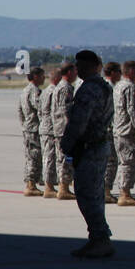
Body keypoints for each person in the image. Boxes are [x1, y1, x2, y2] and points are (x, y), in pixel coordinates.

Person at [60, 50, 115, 258]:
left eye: (82, 65)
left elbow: (79, 121)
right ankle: (99, 238)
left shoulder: (89, 89)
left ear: (93, 66)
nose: (79, 69)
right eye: (77, 65)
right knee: (95, 193)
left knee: (87, 195)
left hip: (89, 147)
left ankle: (100, 238)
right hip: (98, 145)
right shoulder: (103, 86)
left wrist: (67, 143)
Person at [112, 60, 135, 206]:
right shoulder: (131, 88)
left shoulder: (118, 86)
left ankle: (124, 192)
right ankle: (124, 194)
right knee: (129, 162)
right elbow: (133, 111)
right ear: (130, 71)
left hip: (118, 129)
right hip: (127, 130)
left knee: (123, 162)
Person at [50, 63, 78, 201]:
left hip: (59, 128)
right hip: (64, 129)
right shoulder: (65, 88)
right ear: (68, 73)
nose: (76, 74)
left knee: (62, 158)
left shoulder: (60, 87)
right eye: (74, 71)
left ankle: (63, 186)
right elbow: (65, 110)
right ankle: (63, 188)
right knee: (65, 160)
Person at [18, 66, 45, 196]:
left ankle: (30, 183)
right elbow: (39, 107)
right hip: (34, 128)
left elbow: (19, 111)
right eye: (41, 75)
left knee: (30, 157)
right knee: (35, 156)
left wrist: (24, 124)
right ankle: (31, 184)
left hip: (27, 128)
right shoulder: (34, 91)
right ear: (35, 76)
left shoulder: (24, 91)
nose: (44, 78)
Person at [38, 68, 61, 198]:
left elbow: (40, 112)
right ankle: (49, 186)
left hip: (45, 127)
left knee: (48, 157)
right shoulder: (54, 92)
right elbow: (55, 112)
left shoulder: (45, 91)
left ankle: (49, 185)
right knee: (50, 158)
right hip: (51, 129)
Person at [102, 62, 122, 203]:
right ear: (113, 72)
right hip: (109, 130)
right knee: (111, 162)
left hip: (103, 129)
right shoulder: (110, 88)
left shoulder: (103, 86)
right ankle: (105, 191)